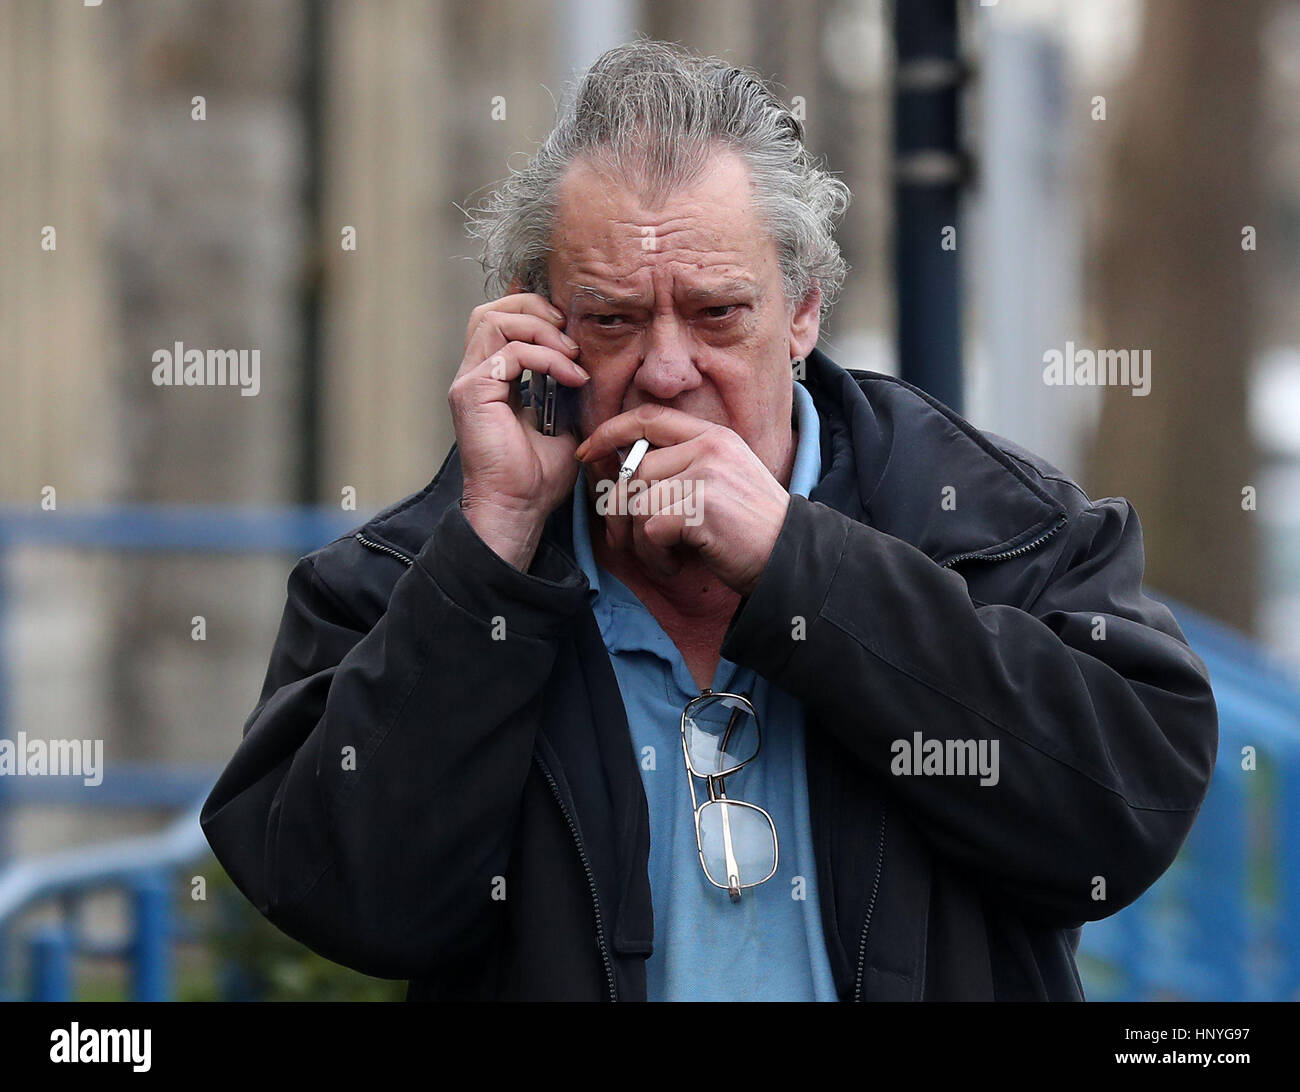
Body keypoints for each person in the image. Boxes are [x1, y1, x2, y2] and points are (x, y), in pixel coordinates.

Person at [200, 40, 1218, 1001]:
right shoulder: (411, 574)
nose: (668, 368)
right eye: (611, 318)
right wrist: (496, 546)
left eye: (718, 312)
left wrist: (798, 565)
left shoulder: (1000, 523)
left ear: (804, 311)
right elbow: (352, 902)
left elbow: (1119, 821)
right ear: (534, 322)